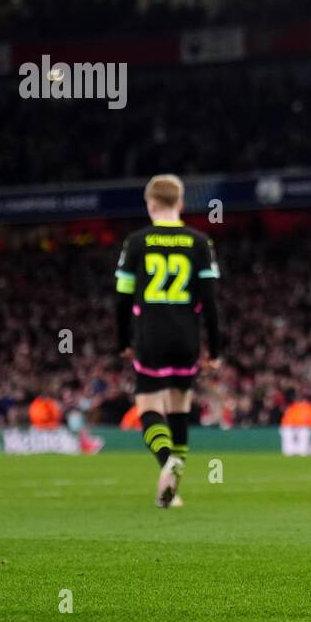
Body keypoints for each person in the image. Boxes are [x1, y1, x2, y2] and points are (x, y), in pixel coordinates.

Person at [115, 174, 223, 508]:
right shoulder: (199, 242)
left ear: (150, 205)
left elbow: (122, 298)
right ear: (180, 203)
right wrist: (215, 348)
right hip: (186, 337)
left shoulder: (136, 242)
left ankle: (166, 459)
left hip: (150, 335)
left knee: (149, 409)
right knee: (179, 408)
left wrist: (123, 340)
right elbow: (211, 301)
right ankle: (172, 490)